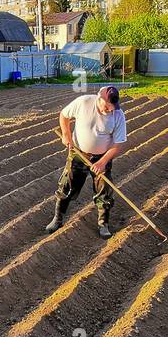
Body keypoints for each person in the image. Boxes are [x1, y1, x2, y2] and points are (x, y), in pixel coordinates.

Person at [46, 85, 127, 239]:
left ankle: (103, 223)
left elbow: (118, 145)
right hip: (78, 153)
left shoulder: (118, 115)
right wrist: (66, 134)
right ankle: (57, 218)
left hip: (102, 158)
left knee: (104, 190)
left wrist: (103, 162)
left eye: (112, 108)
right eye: (107, 107)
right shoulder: (83, 103)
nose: (109, 111)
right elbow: (64, 115)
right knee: (67, 185)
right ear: (100, 98)